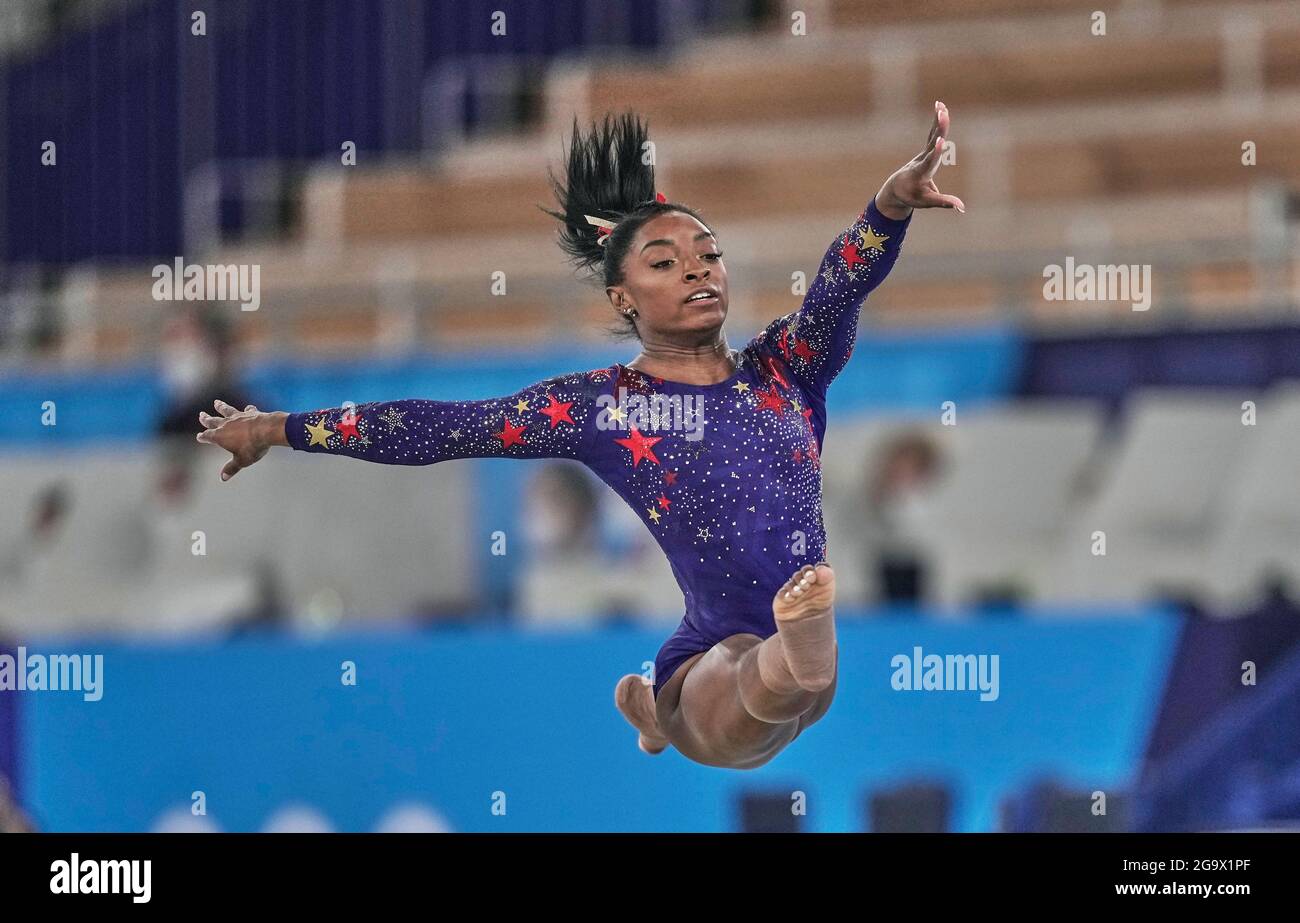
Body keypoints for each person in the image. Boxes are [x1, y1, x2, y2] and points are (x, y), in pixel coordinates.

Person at [197, 103, 963, 769]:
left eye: (709, 255)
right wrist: (278, 426)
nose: (698, 271)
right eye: (666, 262)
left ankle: (683, 704)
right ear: (623, 296)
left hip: (792, 667)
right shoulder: (607, 406)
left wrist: (889, 206)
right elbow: (442, 427)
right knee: (765, 674)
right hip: (713, 667)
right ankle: (690, 700)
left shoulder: (786, 367)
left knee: (799, 686)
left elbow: (839, 286)